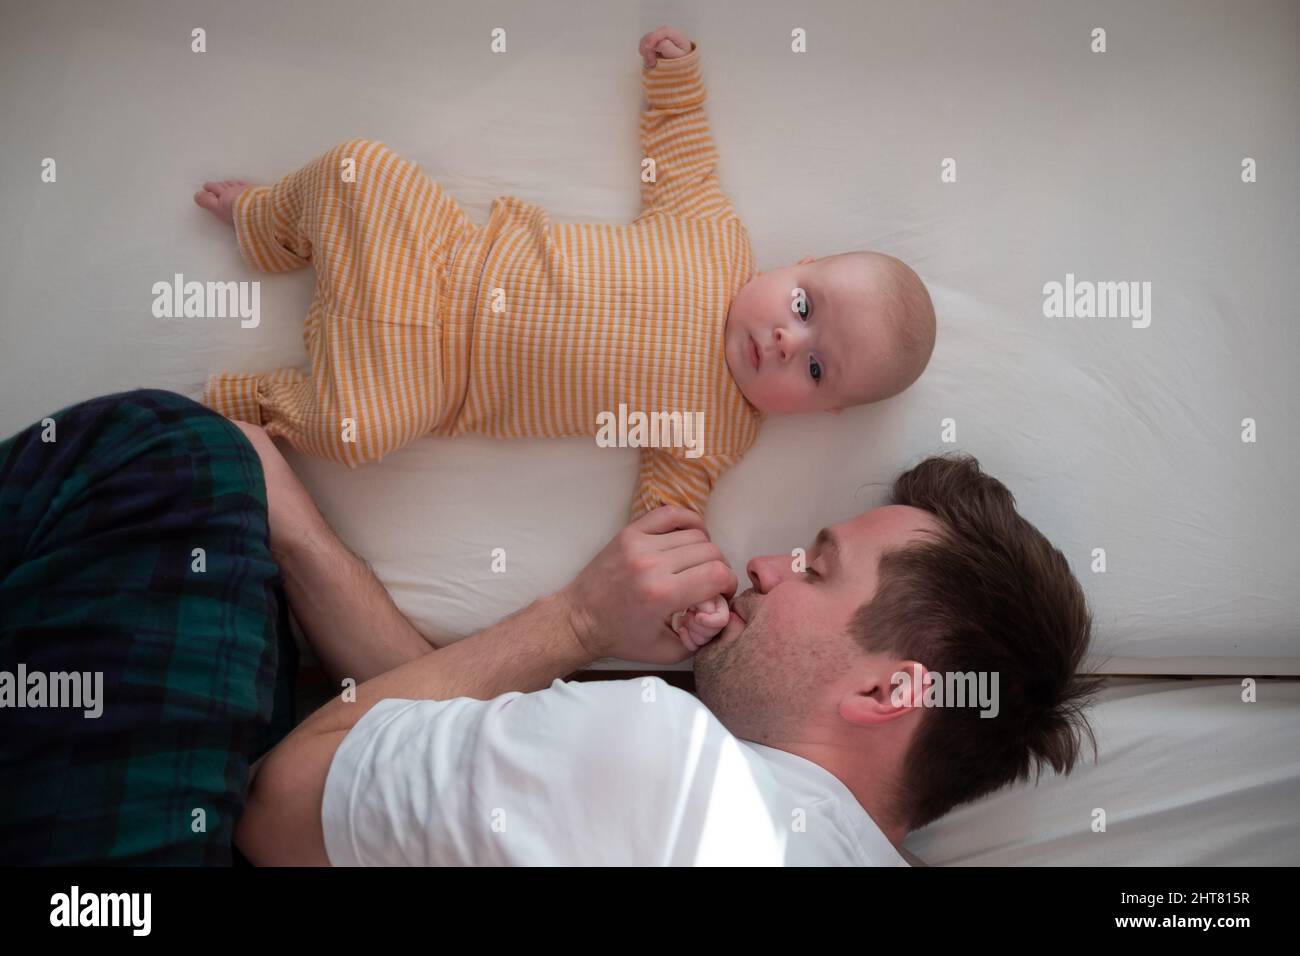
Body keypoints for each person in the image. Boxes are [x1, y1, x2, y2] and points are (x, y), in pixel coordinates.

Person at [194, 26, 937, 651]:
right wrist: (675, 84)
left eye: (814, 366)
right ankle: (269, 224)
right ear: (797, 264)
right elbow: (681, 161)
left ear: (823, 411)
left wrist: (687, 599)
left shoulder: (713, 432)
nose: (782, 339)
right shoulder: (713, 238)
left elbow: (665, 514)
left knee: (359, 431)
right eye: (804, 305)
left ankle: (254, 403)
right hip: (441, 254)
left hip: (427, 376)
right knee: (358, 167)